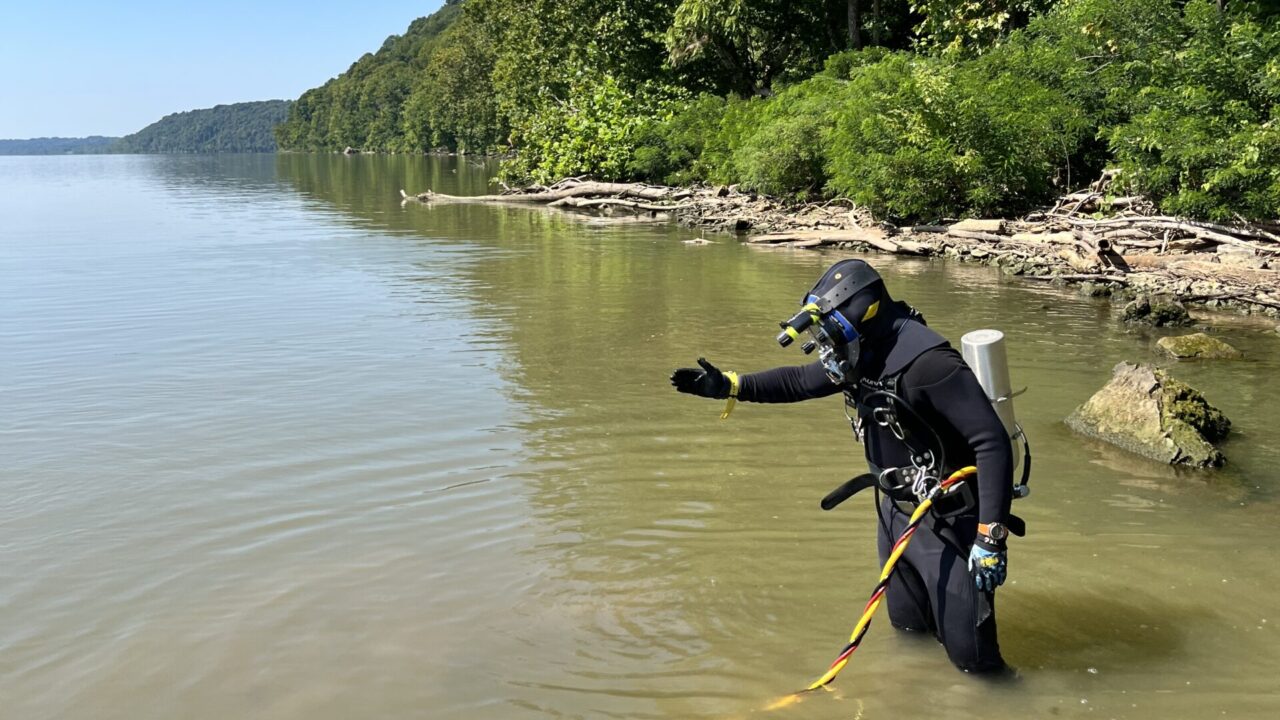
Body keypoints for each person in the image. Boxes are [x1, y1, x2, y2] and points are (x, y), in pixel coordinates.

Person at [670, 259, 1016, 674]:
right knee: (910, 638)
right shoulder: (859, 356)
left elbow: (991, 442)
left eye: (832, 332)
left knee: (975, 665)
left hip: (950, 526)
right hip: (895, 517)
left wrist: (990, 537)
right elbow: (799, 381)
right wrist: (731, 386)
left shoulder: (930, 364)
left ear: (866, 313)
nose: (827, 347)